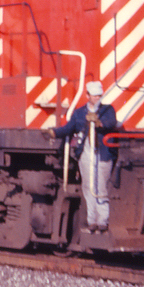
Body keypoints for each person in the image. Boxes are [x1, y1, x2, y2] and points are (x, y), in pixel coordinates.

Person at [50, 81, 118, 232]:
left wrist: (99, 123)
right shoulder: (79, 113)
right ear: (87, 95)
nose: (97, 98)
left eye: (99, 95)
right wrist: (54, 133)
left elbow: (111, 123)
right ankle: (91, 221)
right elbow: (68, 128)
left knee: (101, 187)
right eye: (94, 95)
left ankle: (103, 221)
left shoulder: (108, 110)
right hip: (86, 155)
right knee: (88, 187)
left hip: (103, 155)